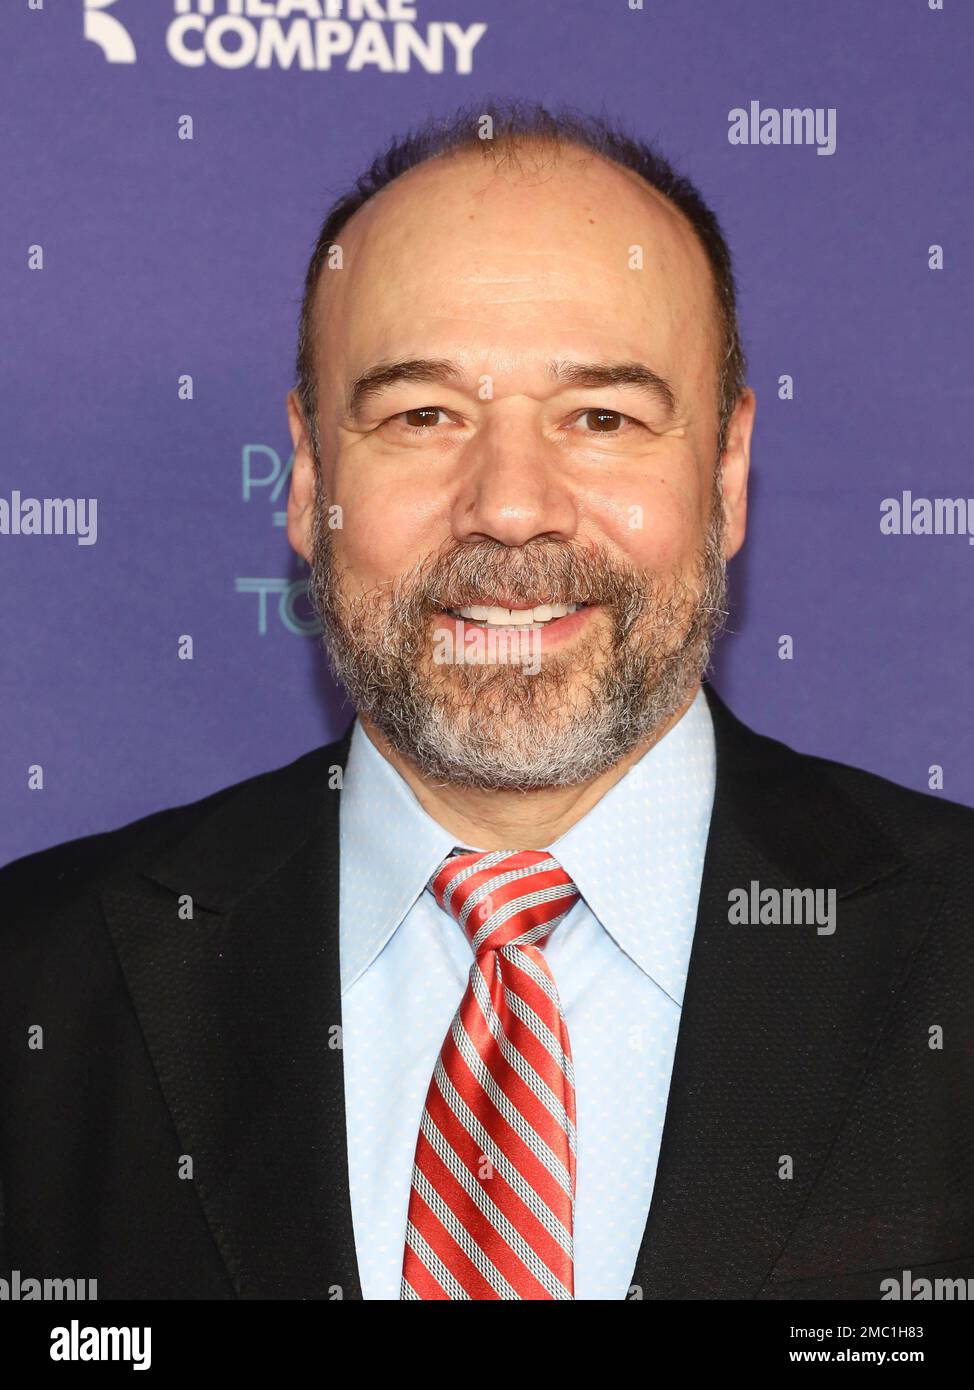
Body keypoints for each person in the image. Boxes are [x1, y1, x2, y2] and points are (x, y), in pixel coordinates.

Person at [2, 102, 972, 1301]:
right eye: (422, 416)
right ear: (310, 478)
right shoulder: (35, 988)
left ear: (724, 475)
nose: (510, 506)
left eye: (602, 418)